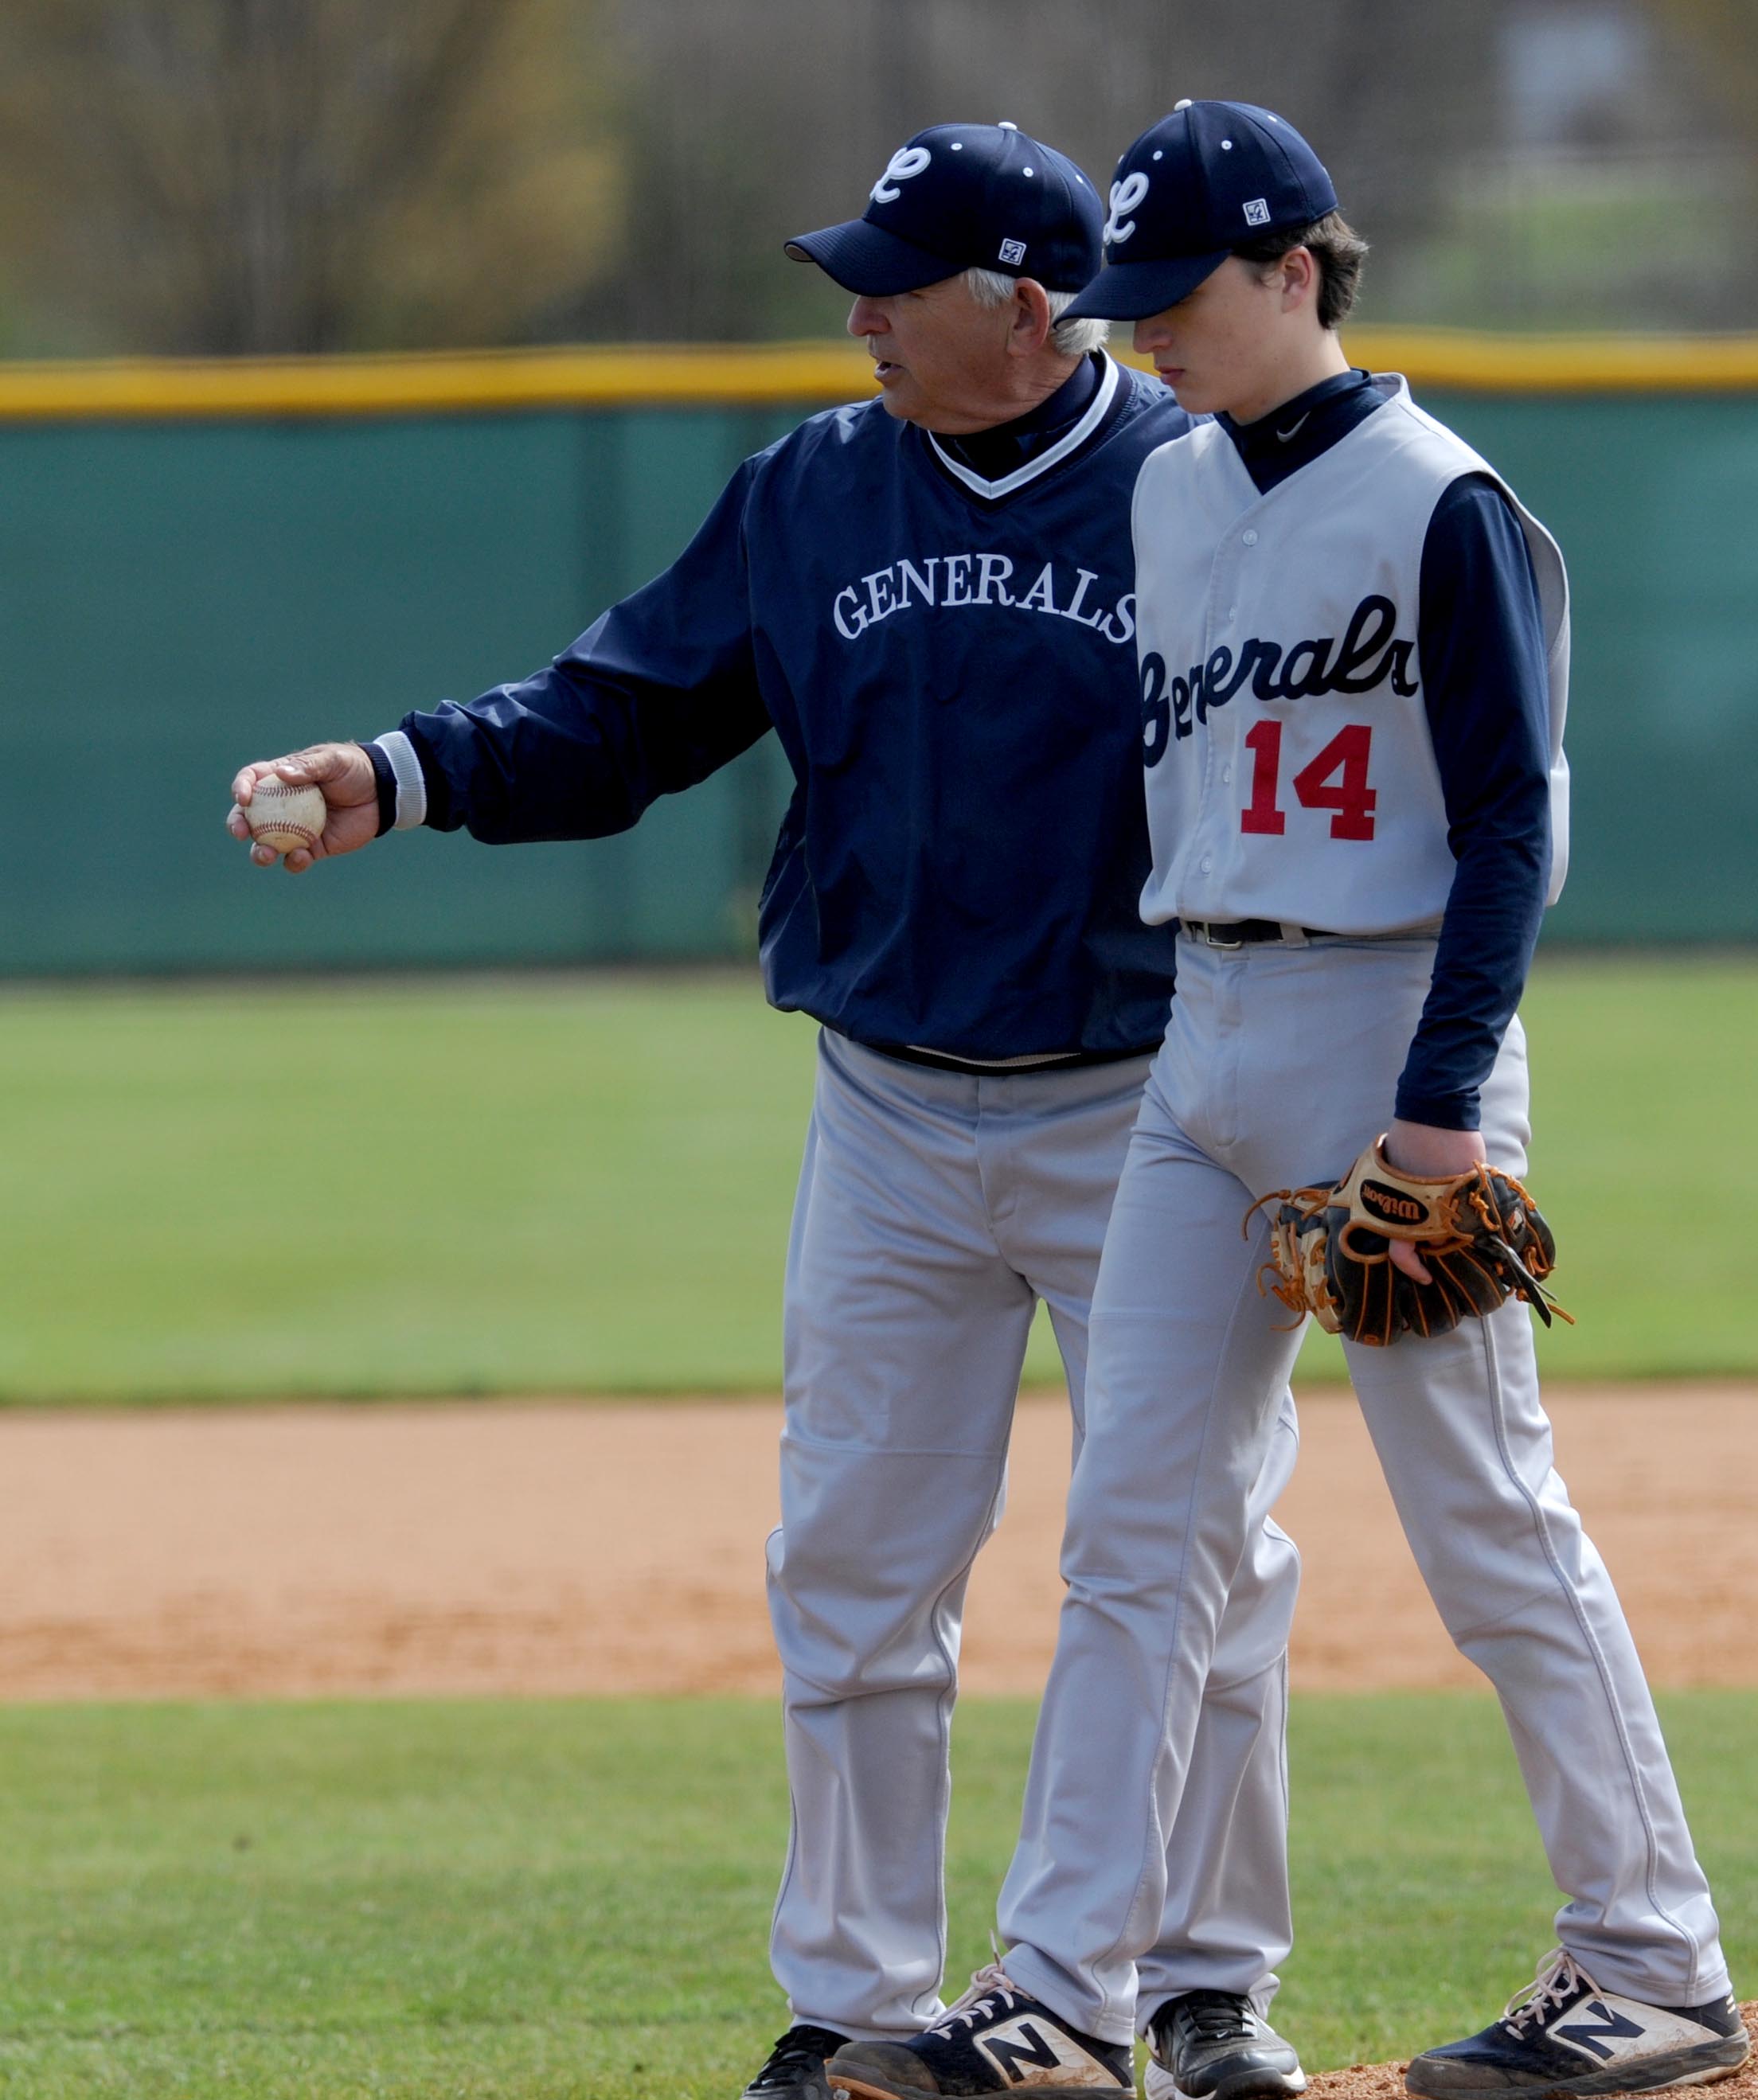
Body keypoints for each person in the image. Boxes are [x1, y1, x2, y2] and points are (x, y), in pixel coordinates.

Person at [227, 123, 1311, 2100]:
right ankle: (862, 2001)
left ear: (1030, 305)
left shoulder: (1200, 485)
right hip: (890, 1100)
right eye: (857, 277)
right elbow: (626, 706)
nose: (858, 311)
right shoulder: (812, 485)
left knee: (1201, 1558)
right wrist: (401, 769)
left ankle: (1201, 1987)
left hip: (1150, 1099)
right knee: (853, 1561)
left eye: (894, 279)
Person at [825, 100, 1748, 2100]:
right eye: (1128, 299)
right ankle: (1063, 1992)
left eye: (1182, 297)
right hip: (1203, 1036)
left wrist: (1438, 1112)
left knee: (1489, 1517)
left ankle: (1656, 1957)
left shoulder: (1439, 496)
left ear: (1298, 271)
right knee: (1136, 1531)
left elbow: (1510, 826)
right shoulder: (1175, 493)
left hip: (1388, 1030)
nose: (1150, 332)